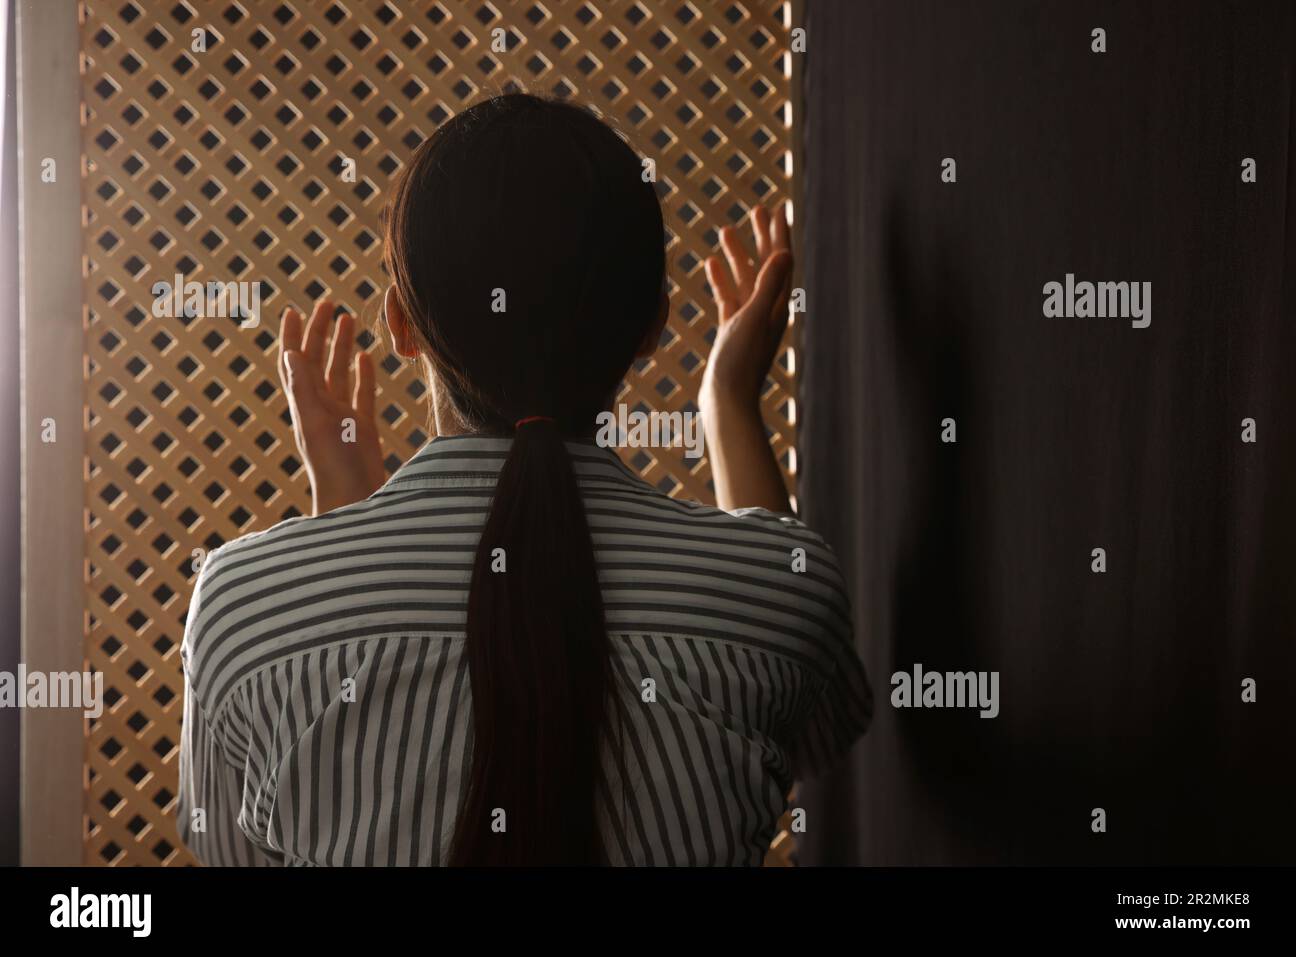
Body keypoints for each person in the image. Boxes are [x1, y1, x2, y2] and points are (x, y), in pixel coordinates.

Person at [177, 92, 870, 866]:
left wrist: (345, 514)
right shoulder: (782, 587)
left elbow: (245, 853)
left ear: (400, 323)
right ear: (653, 326)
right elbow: (810, 734)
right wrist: (729, 401)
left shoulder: (240, 602)